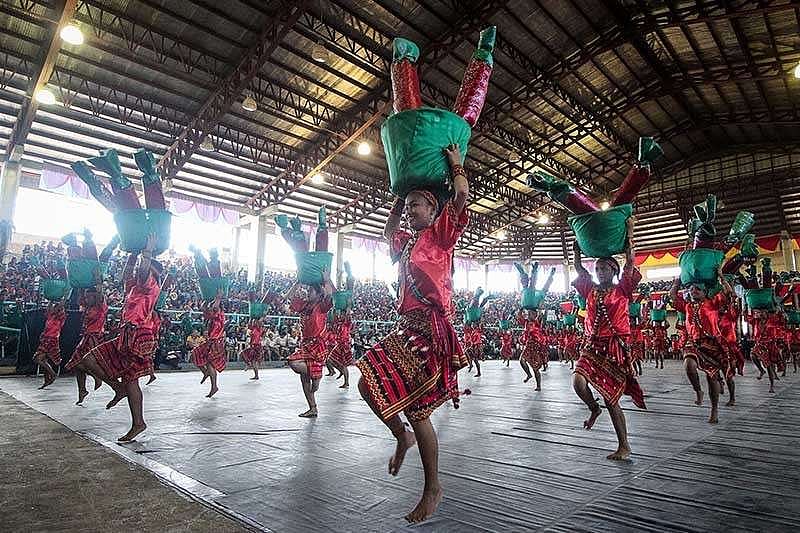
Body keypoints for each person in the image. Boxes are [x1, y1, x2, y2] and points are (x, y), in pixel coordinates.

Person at [357, 143, 469, 523]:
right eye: (409, 208)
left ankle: (432, 487)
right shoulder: (406, 243)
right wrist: (397, 195)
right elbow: (389, 230)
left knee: (418, 409)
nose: (410, 211)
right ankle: (400, 436)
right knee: (366, 382)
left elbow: (462, 195)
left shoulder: (440, 236)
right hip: (406, 327)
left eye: (416, 205)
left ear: (433, 211)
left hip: (430, 330)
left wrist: (455, 163)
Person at [572, 217, 646, 460]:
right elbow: (580, 270)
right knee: (578, 383)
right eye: (598, 268)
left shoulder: (623, 288)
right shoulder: (589, 289)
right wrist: (575, 253)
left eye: (605, 268)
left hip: (614, 347)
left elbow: (631, 261)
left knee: (611, 397)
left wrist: (630, 232)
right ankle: (594, 409)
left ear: (613, 271)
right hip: (591, 346)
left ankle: (624, 445)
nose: (600, 271)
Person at [84, 235, 162, 442]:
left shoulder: (150, 284)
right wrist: (133, 255)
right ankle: (118, 390)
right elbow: (128, 274)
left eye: (143, 269)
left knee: (130, 380)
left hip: (138, 334)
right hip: (127, 333)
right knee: (88, 360)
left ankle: (137, 422)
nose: (138, 271)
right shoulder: (134, 287)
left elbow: (143, 270)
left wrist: (147, 251)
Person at [670, 266, 736, 422]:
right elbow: (672, 296)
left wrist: (720, 276)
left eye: (698, 289)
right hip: (693, 343)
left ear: (705, 292)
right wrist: (677, 280)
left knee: (712, 377)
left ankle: (715, 409)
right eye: (692, 289)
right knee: (688, 366)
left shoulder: (713, 303)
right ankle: (698, 391)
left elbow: (728, 293)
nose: (694, 291)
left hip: (712, 344)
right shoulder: (687, 306)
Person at [280, 273, 334, 417]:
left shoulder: (321, 306)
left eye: (311, 291)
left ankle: (317, 375)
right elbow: (287, 301)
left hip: (317, 344)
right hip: (305, 344)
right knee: (302, 376)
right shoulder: (303, 306)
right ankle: (313, 408)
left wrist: (326, 280)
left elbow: (329, 296)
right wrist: (297, 283)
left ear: (318, 293)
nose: (308, 292)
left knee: (294, 363)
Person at [191, 292, 226, 397]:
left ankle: (214, 386)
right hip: (210, 341)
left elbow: (214, 307)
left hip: (216, 342)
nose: (211, 307)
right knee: (195, 354)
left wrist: (218, 298)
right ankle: (207, 375)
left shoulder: (219, 314)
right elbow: (203, 308)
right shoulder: (212, 316)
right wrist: (206, 301)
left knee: (210, 364)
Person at [34, 298, 67, 389]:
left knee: (38, 359)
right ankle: (47, 380)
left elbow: (61, 305)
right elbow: (48, 308)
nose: (52, 308)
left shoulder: (60, 317)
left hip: (52, 339)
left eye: (55, 307)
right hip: (45, 339)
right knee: (44, 360)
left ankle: (52, 374)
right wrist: (51, 300)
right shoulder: (50, 316)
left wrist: (63, 296)